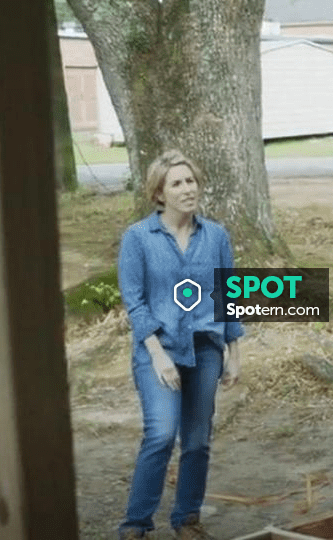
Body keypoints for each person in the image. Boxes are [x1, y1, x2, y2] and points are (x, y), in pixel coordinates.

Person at [116, 149, 244, 540]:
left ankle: (186, 519)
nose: (188, 189)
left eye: (191, 181)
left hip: (206, 349)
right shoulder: (138, 238)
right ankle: (136, 524)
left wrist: (234, 353)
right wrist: (157, 356)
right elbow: (134, 302)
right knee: (160, 434)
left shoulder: (216, 235)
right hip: (159, 351)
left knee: (197, 440)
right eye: (177, 183)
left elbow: (230, 293)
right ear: (159, 193)